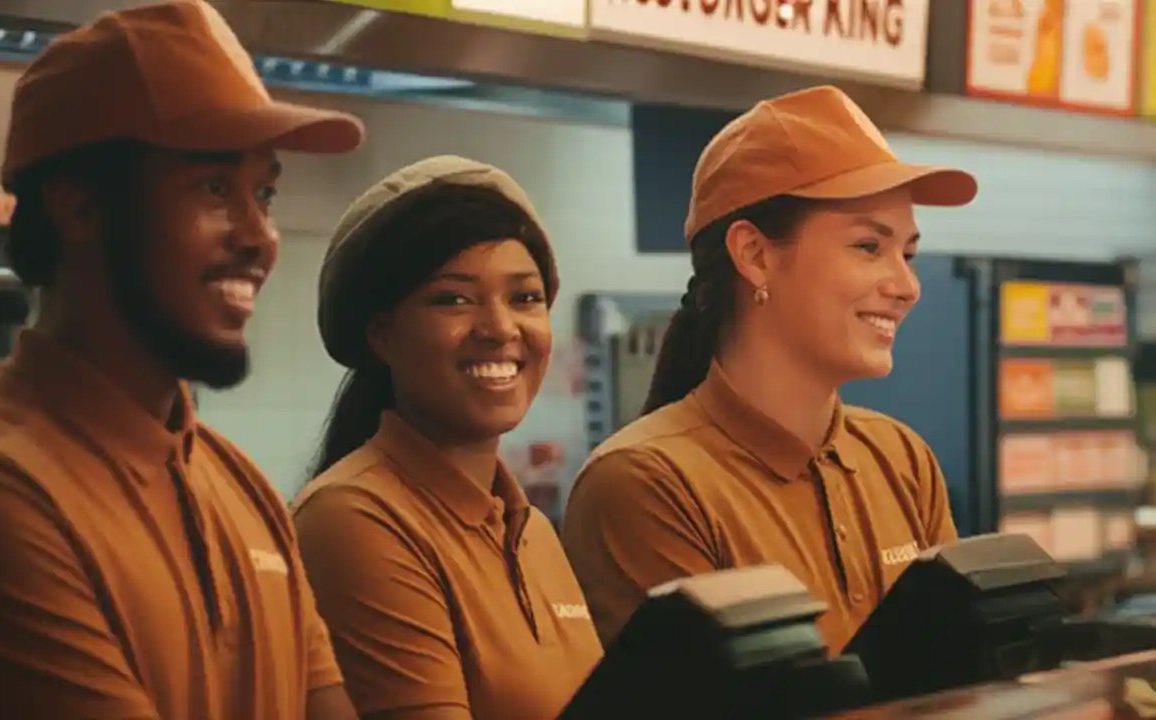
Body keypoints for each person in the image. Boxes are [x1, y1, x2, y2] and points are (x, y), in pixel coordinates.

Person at [0, 3, 365, 719]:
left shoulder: (240, 487)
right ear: (79, 206)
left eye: (262, 193)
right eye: (213, 188)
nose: (261, 238)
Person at [561, 85, 979, 654]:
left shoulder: (903, 461)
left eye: (908, 253)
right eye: (867, 246)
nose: (906, 286)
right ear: (755, 255)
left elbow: (964, 681)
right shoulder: (644, 485)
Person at [292, 155, 603, 720]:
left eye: (524, 297)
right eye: (454, 299)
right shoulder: (355, 518)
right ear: (382, 334)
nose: (501, 328)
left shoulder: (530, 530)